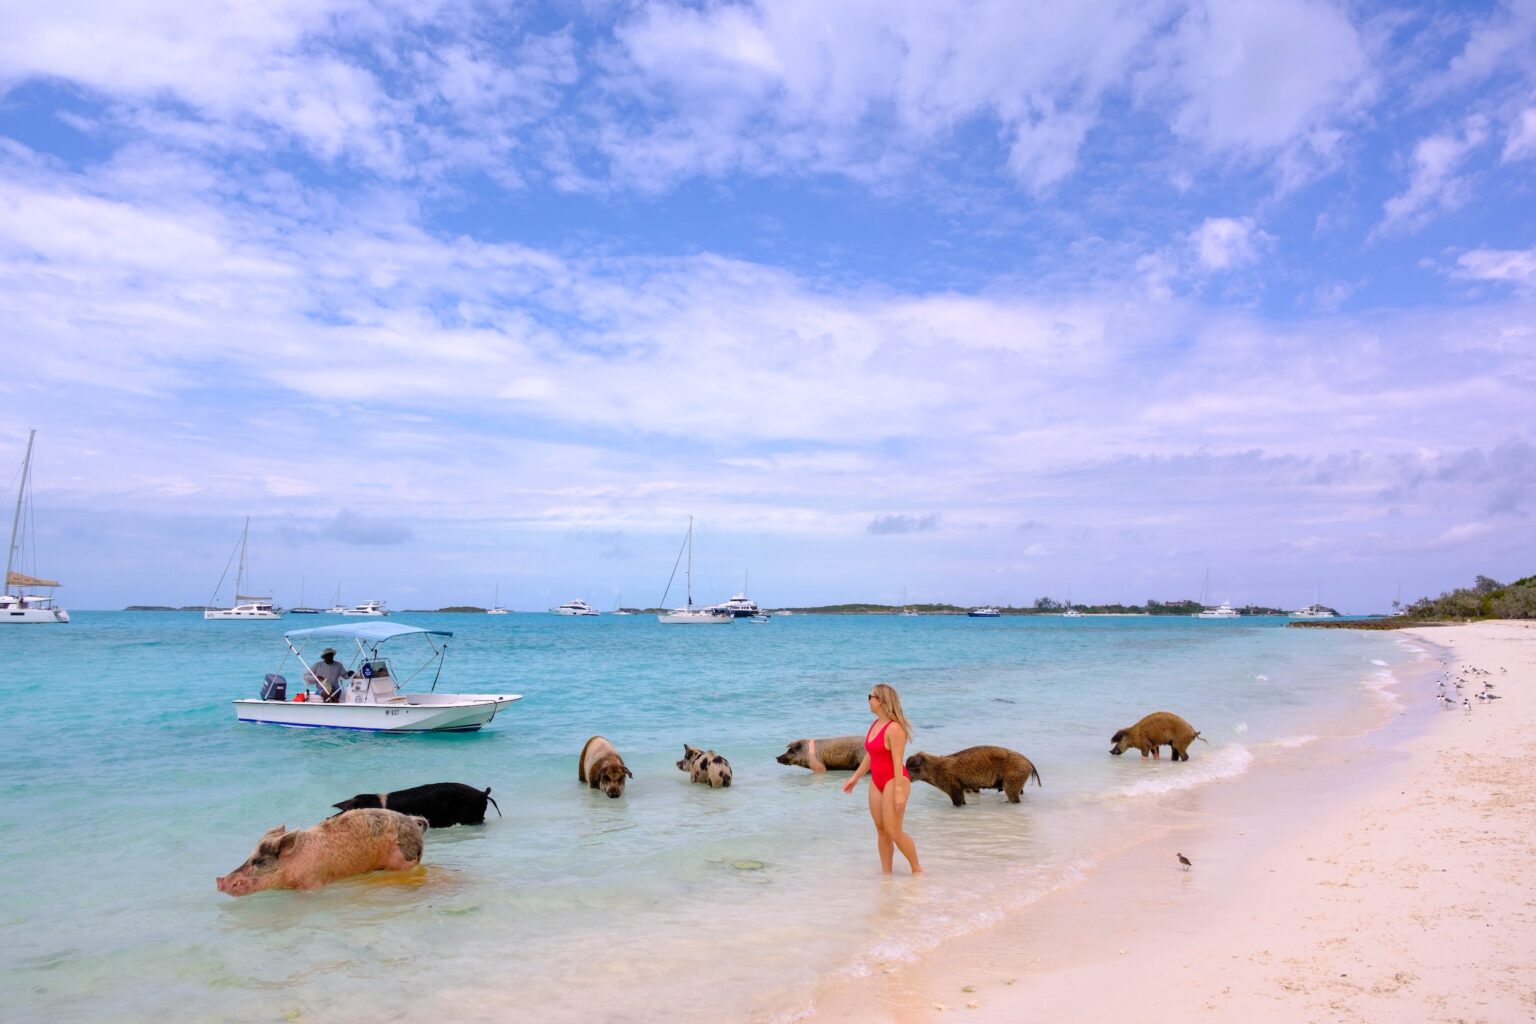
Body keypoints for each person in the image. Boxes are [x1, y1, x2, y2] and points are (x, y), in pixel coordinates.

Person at [842, 682, 922, 874]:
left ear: (881, 701)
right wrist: (855, 777)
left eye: (871, 697)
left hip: (895, 780)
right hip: (877, 781)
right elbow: (871, 755)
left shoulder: (895, 728)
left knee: (894, 830)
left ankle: (917, 870)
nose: (868, 701)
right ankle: (887, 875)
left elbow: (897, 760)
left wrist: (899, 791)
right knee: (881, 830)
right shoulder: (875, 724)